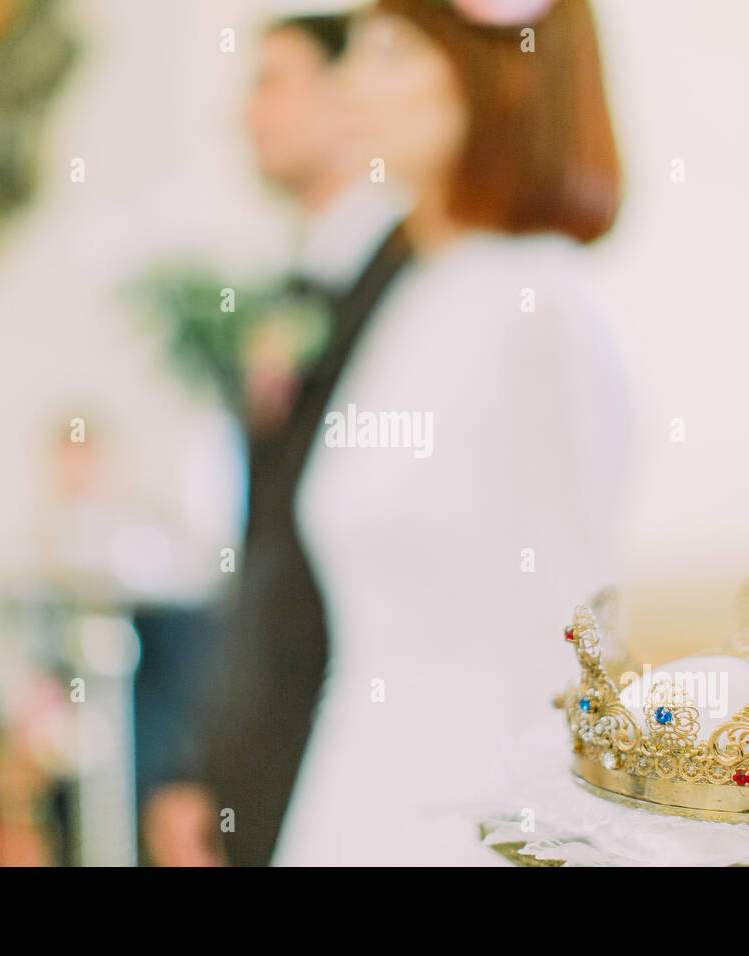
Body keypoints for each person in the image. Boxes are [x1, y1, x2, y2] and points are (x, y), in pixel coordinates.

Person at [269, 0, 632, 864]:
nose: (351, 82)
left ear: (494, 74)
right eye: (352, 51)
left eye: (392, 51)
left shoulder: (537, 303)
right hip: (359, 782)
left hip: (479, 809)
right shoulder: (420, 298)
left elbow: (575, 627)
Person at [147, 10, 412, 867]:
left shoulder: (410, 290)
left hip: (348, 747)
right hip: (261, 744)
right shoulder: (292, 293)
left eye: (271, 83)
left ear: (347, 100)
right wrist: (203, 766)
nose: (245, 115)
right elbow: (254, 551)